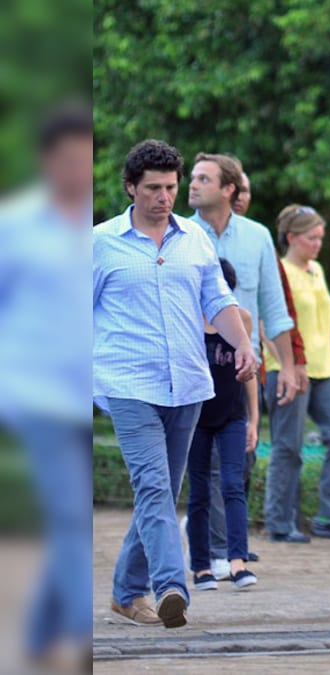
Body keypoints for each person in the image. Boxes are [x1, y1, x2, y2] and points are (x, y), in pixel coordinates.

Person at [94, 139, 256, 629]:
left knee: (162, 489)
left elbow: (218, 300)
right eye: (152, 189)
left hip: (187, 381)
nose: (164, 197)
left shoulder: (196, 240)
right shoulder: (99, 243)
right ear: (130, 188)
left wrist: (244, 343)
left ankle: (126, 592)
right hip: (126, 381)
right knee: (153, 485)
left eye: (170, 187)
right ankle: (171, 586)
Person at [0, 102, 93, 669]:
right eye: (67, 159)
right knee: (69, 516)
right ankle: (86, 643)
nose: (77, 170)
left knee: (69, 524)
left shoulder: (104, 231)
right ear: (46, 160)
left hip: (91, 397)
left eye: (86, 158)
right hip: (35, 395)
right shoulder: (14, 224)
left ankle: (36, 637)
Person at [188, 153, 300, 551]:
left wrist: (287, 365)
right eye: (193, 177)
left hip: (243, 370)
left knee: (241, 462)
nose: (192, 184)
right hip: (193, 368)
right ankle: (218, 550)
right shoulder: (179, 234)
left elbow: (275, 306)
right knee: (205, 469)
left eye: (204, 178)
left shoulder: (257, 237)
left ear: (228, 189)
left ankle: (226, 540)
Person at [263, 204, 330, 543]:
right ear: (291, 237)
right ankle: (280, 522)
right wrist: (287, 366)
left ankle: (329, 518)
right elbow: (266, 325)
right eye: (311, 238)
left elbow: (324, 324)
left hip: (324, 369)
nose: (318, 244)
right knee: (288, 446)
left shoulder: (316, 270)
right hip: (288, 369)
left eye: (321, 238)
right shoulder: (277, 272)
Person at [186, 258, 260, 590]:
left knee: (233, 485)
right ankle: (201, 566)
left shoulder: (241, 319)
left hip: (232, 415)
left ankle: (238, 562)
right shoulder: (187, 319)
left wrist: (254, 420)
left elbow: (249, 373)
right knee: (200, 491)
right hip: (196, 417)